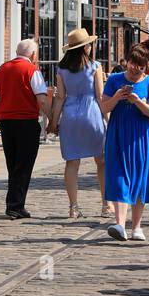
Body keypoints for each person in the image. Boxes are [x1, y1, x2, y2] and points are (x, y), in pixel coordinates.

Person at [100, 45, 149, 240]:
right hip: (118, 134)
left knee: (140, 178)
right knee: (119, 176)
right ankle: (119, 225)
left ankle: (136, 227)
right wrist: (118, 96)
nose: (135, 69)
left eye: (141, 67)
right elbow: (104, 107)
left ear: (147, 66)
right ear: (127, 61)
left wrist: (138, 102)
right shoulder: (114, 80)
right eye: (133, 64)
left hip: (142, 137)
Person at [50, 29, 109, 219]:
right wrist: (108, 118)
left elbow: (59, 97)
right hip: (91, 113)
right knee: (101, 161)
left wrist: (53, 121)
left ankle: (73, 207)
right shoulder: (95, 67)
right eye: (89, 44)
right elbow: (100, 96)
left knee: (72, 162)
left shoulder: (61, 69)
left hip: (70, 116)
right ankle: (106, 205)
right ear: (85, 47)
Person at [0, 40, 50, 219]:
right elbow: (42, 99)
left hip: (7, 121)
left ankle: (15, 203)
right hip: (26, 121)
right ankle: (15, 205)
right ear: (33, 55)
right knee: (24, 165)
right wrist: (52, 119)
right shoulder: (32, 70)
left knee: (12, 163)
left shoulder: (2, 69)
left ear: (16, 51)